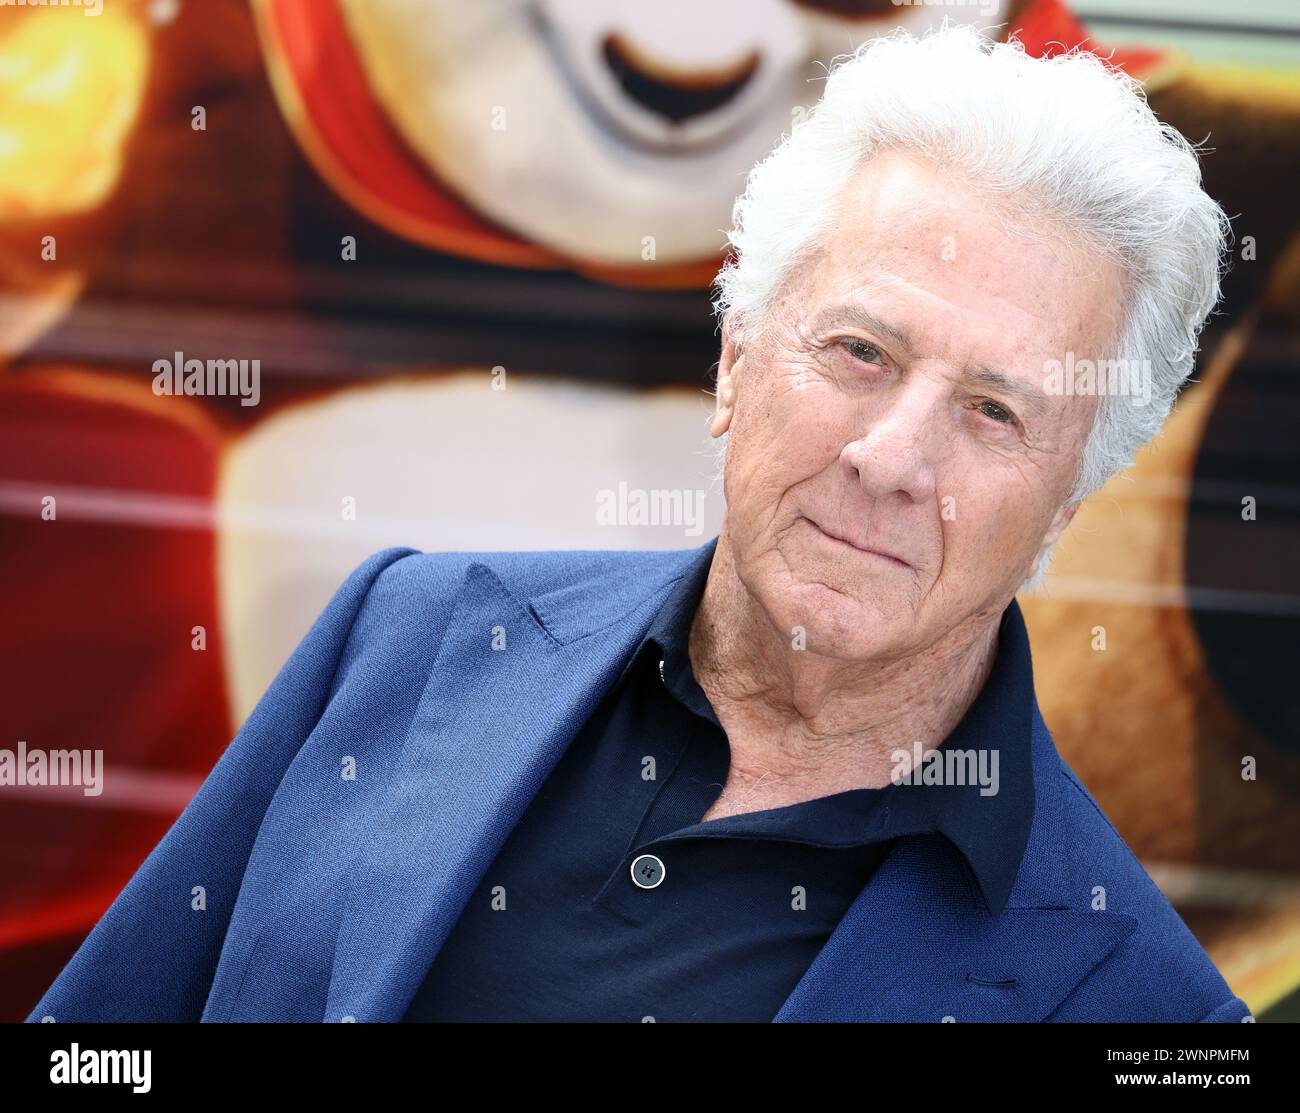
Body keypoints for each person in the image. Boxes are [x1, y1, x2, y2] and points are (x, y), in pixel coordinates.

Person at [29, 24, 1248, 1023]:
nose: (891, 459)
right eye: (860, 350)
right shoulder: (411, 632)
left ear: (1072, 495)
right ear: (734, 358)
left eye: (994, 410)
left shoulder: (1142, 1008)